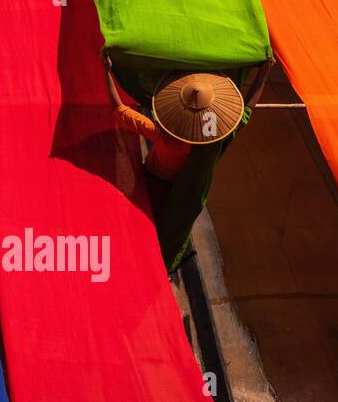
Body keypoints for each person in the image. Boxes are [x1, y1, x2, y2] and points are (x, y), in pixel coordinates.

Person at [105, 52, 275, 271]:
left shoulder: (167, 136)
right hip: (179, 194)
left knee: (137, 234)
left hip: (151, 187)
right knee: (162, 236)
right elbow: (248, 109)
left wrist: (106, 69)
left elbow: (120, 110)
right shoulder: (216, 139)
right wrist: (264, 73)